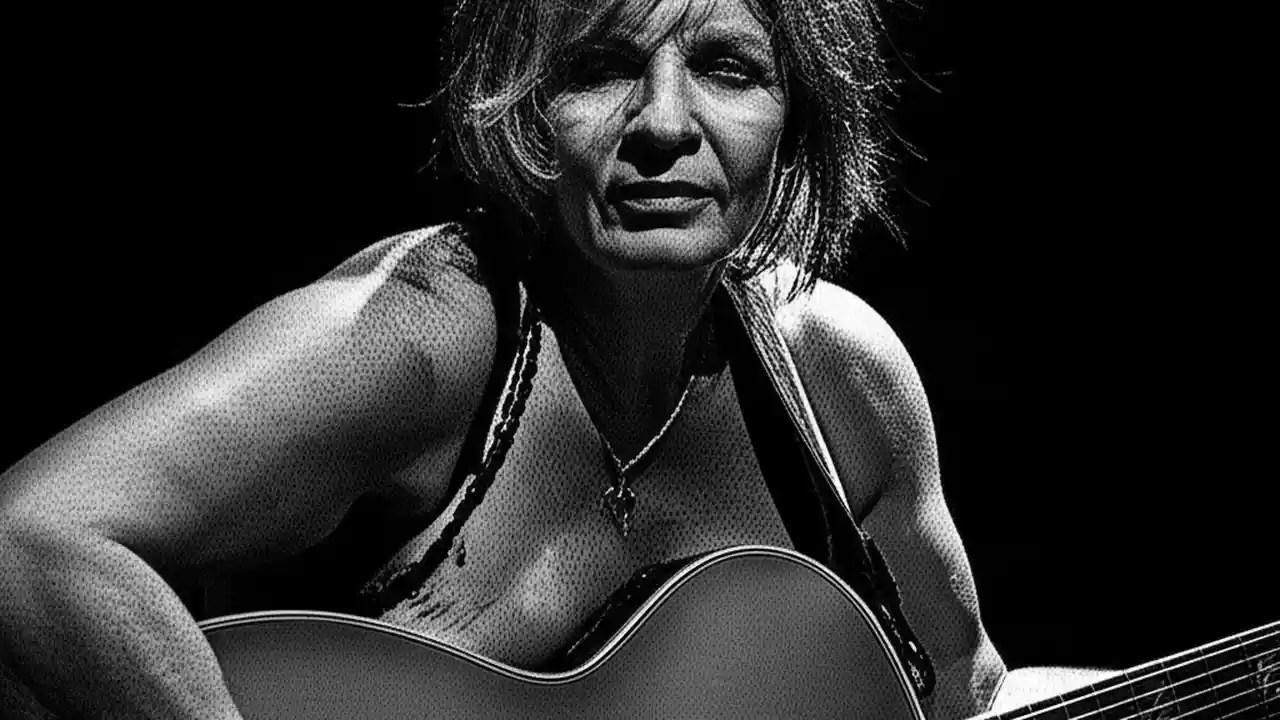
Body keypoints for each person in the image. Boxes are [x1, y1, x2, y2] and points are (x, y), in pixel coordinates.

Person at [0, 0, 1113, 718]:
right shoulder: (427, 336)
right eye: (598, 68)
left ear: (797, 120)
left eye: (727, 67)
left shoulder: (839, 382)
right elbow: (32, 535)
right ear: (527, 113)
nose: (664, 125)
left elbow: (969, 701)